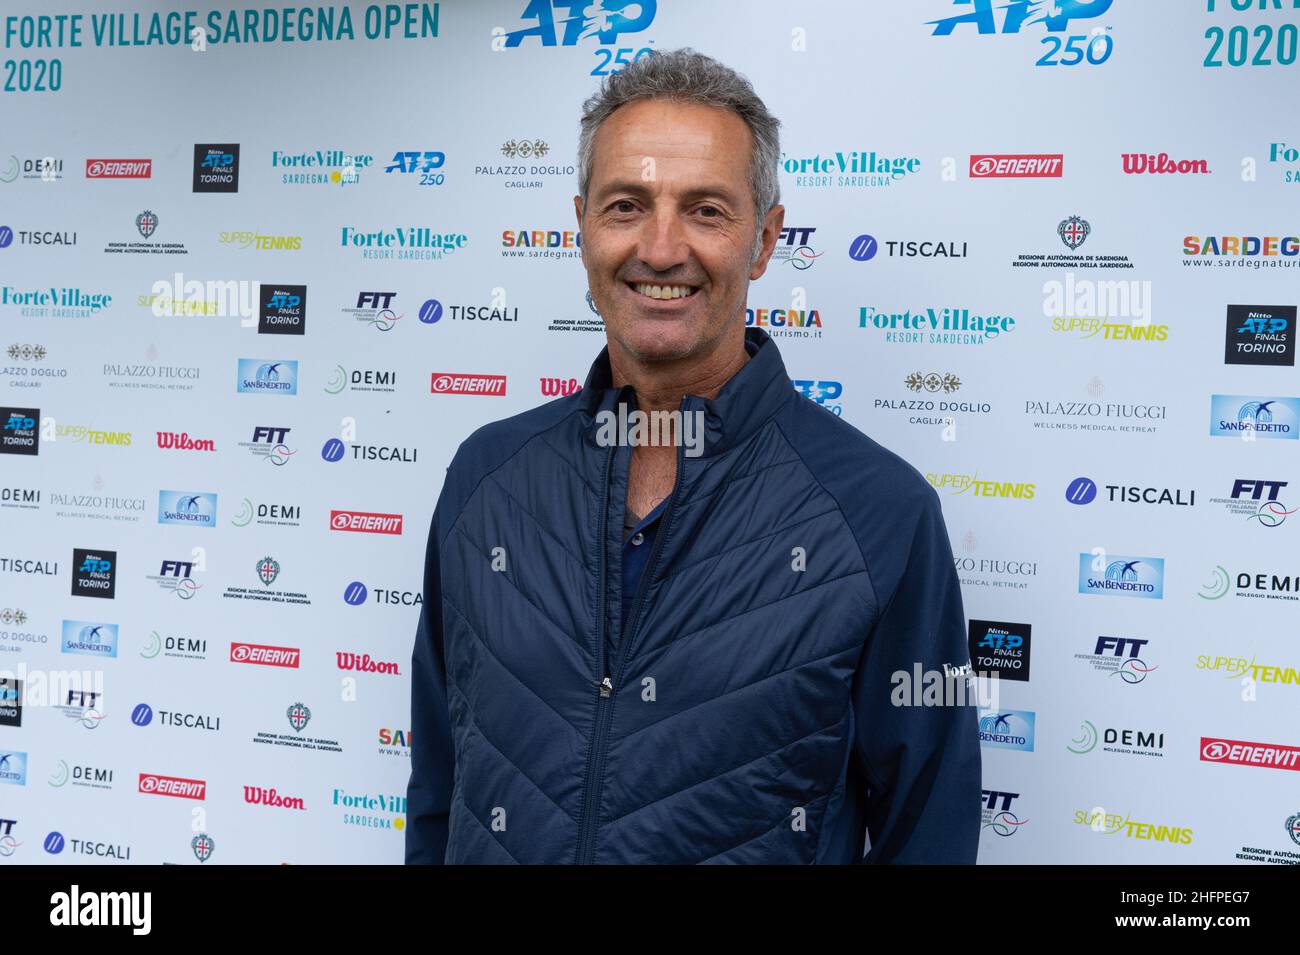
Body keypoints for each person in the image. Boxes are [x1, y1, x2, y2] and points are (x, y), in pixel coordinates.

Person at [405, 48, 980, 864]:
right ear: (582, 228)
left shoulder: (882, 512)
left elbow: (930, 831)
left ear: (765, 239)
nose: (662, 248)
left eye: (706, 210)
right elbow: (440, 783)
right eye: (627, 206)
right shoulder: (485, 479)